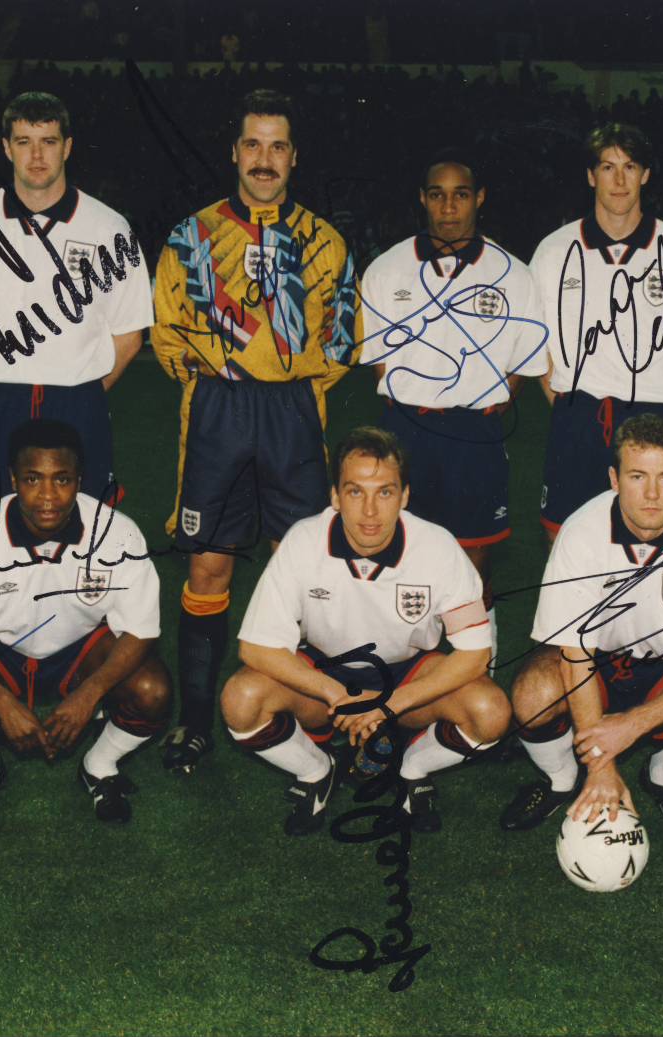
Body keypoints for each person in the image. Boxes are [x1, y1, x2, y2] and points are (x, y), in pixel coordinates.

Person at [151, 89, 361, 776]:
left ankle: (311, 709)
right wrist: (225, 372)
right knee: (207, 564)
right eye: (253, 144)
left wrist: (285, 377)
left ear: (293, 157)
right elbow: (168, 331)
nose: (264, 159)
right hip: (217, 410)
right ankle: (192, 721)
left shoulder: (325, 242)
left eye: (277, 146)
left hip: (291, 415)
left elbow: (341, 340)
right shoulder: (192, 235)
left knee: (301, 566)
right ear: (234, 152)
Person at [222, 427, 508, 835]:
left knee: (491, 713)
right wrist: (337, 695)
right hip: (325, 676)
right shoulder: (304, 541)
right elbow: (256, 647)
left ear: (405, 496)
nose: (370, 511)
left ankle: (413, 769)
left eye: (385, 492)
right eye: (356, 492)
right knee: (241, 699)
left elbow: (475, 653)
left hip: (408, 675)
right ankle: (317, 771)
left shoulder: (438, 548)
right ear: (336, 497)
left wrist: (388, 704)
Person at [502, 414, 663, 835]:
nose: (652, 494)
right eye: (638, 476)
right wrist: (600, 766)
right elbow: (574, 652)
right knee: (533, 697)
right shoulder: (582, 533)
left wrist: (632, 725)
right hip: (595, 662)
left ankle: (662, 775)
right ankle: (563, 780)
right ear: (614, 479)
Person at [0, 419, 171, 826]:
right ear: (14, 479)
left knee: (152, 690)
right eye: (33, 479)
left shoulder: (117, 533)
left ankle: (100, 766)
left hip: (79, 649)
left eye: (62, 479)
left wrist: (90, 693)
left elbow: (140, 629)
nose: (48, 496)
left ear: (79, 480)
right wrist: (1, 703)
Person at [359, 152, 547, 675]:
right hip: (405, 429)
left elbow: (522, 367)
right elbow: (378, 364)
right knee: (397, 553)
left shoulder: (514, 274)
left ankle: (475, 667)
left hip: (474, 432)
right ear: (422, 200)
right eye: (436, 194)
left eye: (460, 193)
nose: (448, 206)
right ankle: (394, 665)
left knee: (473, 560)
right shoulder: (387, 268)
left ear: (479, 198)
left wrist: (475, 404)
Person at [0, 91, 152, 513]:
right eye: (23, 142)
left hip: (78, 402)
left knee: (85, 528)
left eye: (49, 141)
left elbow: (130, 333)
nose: (36, 155)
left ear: (68, 146)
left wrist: (83, 385)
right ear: (6, 148)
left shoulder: (108, 227)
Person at [528, 123, 663, 538]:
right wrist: (564, 402)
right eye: (608, 167)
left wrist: (649, 400)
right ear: (591, 176)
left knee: (649, 536)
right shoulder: (554, 251)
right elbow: (537, 345)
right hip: (578, 414)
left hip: (651, 411)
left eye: (630, 167)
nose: (619, 180)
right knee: (566, 536)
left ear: (645, 174)